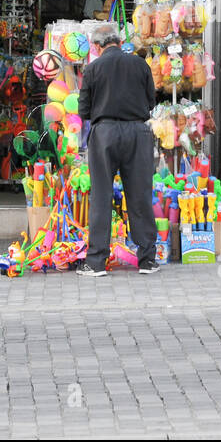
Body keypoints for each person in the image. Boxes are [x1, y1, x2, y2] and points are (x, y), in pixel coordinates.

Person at [76, 22, 159, 276]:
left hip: (105, 134)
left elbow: (84, 110)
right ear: (120, 43)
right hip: (138, 132)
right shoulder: (140, 64)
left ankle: (97, 262)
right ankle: (147, 260)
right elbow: (151, 100)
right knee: (140, 196)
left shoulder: (92, 68)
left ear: (97, 46)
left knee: (101, 197)